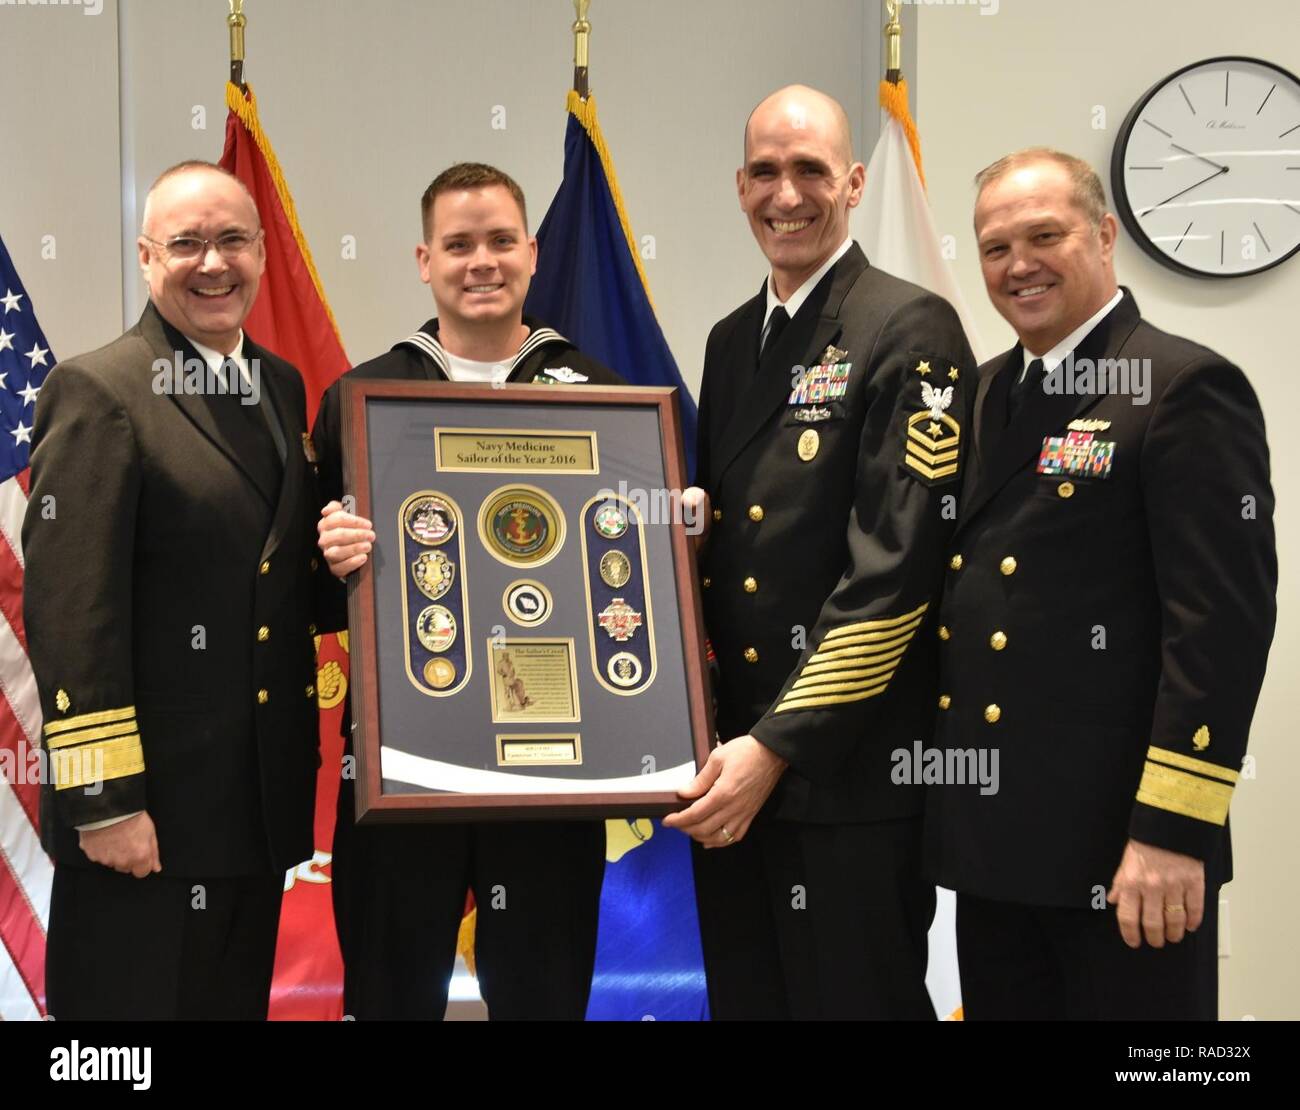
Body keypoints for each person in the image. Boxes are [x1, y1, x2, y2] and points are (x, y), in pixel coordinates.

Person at [925, 148, 1276, 1019]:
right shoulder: (985, 391)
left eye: (1045, 235)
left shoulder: (1182, 386)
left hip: (1123, 851)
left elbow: (1219, 632)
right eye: (996, 247)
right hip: (997, 849)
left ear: (1106, 234)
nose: (1019, 266)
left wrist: (1172, 832)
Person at [663, 85, 977, 1019]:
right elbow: (738, 538)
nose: (785, 194)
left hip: (845, 776)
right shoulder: (731, 341)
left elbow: (897, 569)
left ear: (852, 182)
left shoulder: (909, 326)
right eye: (765, 172)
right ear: (739, 184)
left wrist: (775, 749)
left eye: (809, 171)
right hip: (732, 764)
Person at [313, 162, 622, 1020]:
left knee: (542, 995)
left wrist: (672, 522)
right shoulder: (359, 398)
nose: (479, 261)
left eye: (497, 241)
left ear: (531, 252)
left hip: (548, 772)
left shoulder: (604, 397)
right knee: (390, 994)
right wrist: (328, 553)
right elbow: (306, 593)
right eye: (457, 244)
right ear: (423, 260)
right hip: (403, 765)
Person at [23, 161, 323, 1019]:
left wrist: (337, 560)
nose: (213, 262)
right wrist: (106, 802)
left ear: (262, 254)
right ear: (148, 258)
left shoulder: (278, 387)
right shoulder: (100, 390)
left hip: (250, 815)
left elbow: (270, 581)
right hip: (145, 825)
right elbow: (71, 616)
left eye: (232, 239)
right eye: (186, 243)